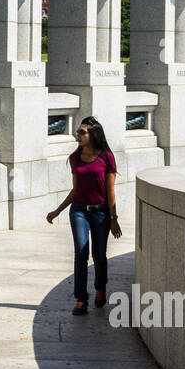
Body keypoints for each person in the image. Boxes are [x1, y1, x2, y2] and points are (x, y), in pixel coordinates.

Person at [46, 116, 121, 315]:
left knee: (99, 255)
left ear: (93, 134)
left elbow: (110, 191)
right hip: (79, 210)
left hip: (101, 212)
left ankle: (100, 288)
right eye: (78, 132)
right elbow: (76, 189)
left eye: (82, 132)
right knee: (80, 253)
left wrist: (113, 218)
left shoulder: (106, 157)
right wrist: (58, 210)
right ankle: (81, 299)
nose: (77, 135)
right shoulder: (75, 158)